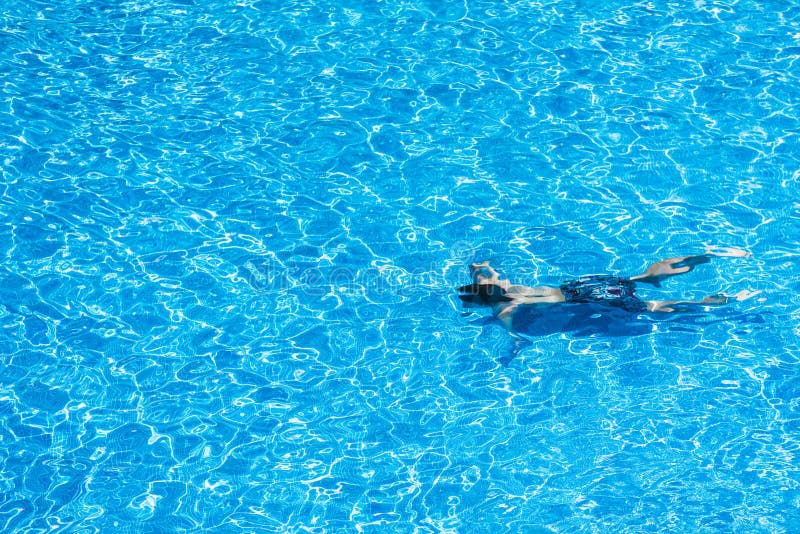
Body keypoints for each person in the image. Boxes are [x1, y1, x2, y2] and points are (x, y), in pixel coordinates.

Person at [458, 247, 760, 330]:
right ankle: (704, 256)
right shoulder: (496, 284)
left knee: (651, 307)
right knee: (643, 279)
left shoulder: (504, 308)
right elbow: (487, 270)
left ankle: (711, 302)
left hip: (587, 301)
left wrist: (511, 348)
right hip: (584, 285)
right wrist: (478, 266)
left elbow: (512, 333)